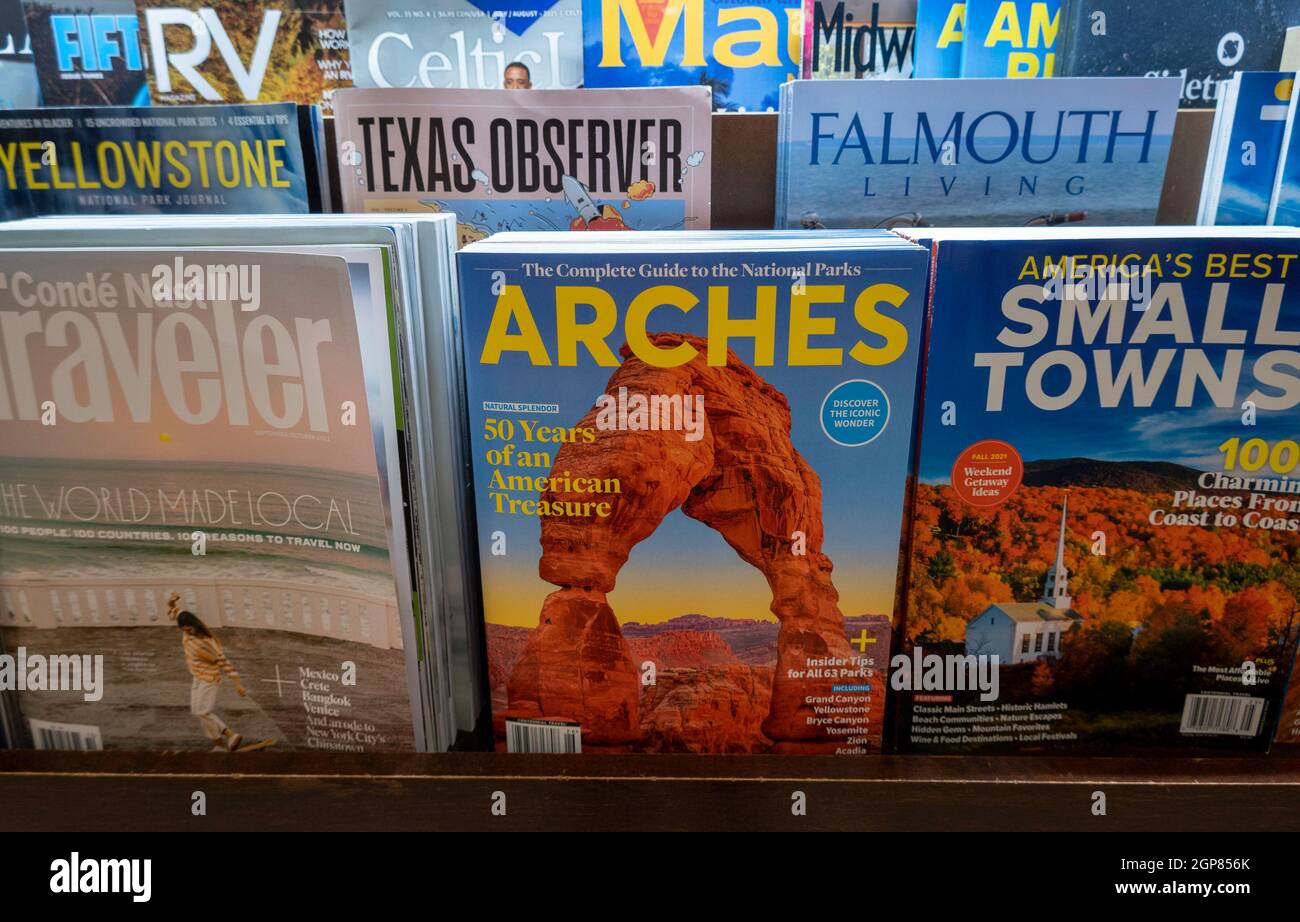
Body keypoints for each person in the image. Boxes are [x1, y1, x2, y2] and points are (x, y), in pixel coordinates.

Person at [175, 608, 248, 752]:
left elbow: (224, 662)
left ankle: (220, 743)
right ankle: (231, 736)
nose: (188, 633)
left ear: (194, 625)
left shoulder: (207, 642)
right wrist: (171, 603)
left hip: (209, 678)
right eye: (184, 630)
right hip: (197, 677)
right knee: (196, 711)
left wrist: (238, 683)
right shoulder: (186, 633)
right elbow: (174, 613)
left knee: (202, 711)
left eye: (189, 629)